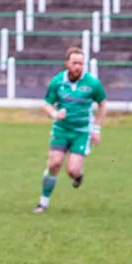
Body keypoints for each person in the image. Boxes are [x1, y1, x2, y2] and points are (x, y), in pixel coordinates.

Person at [34, 46, 107, 213]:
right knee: (54, 163)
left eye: (81, 63)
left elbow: (103, 105)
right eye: (75, 63)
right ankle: (43, 203)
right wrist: (54, 114)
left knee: (72, 170)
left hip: (81, 132)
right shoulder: (57, 82)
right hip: (61, 129)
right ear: (67, 63)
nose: (78, 67)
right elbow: (46, 104)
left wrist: (97, 129)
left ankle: (78, 175)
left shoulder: (93, 84)